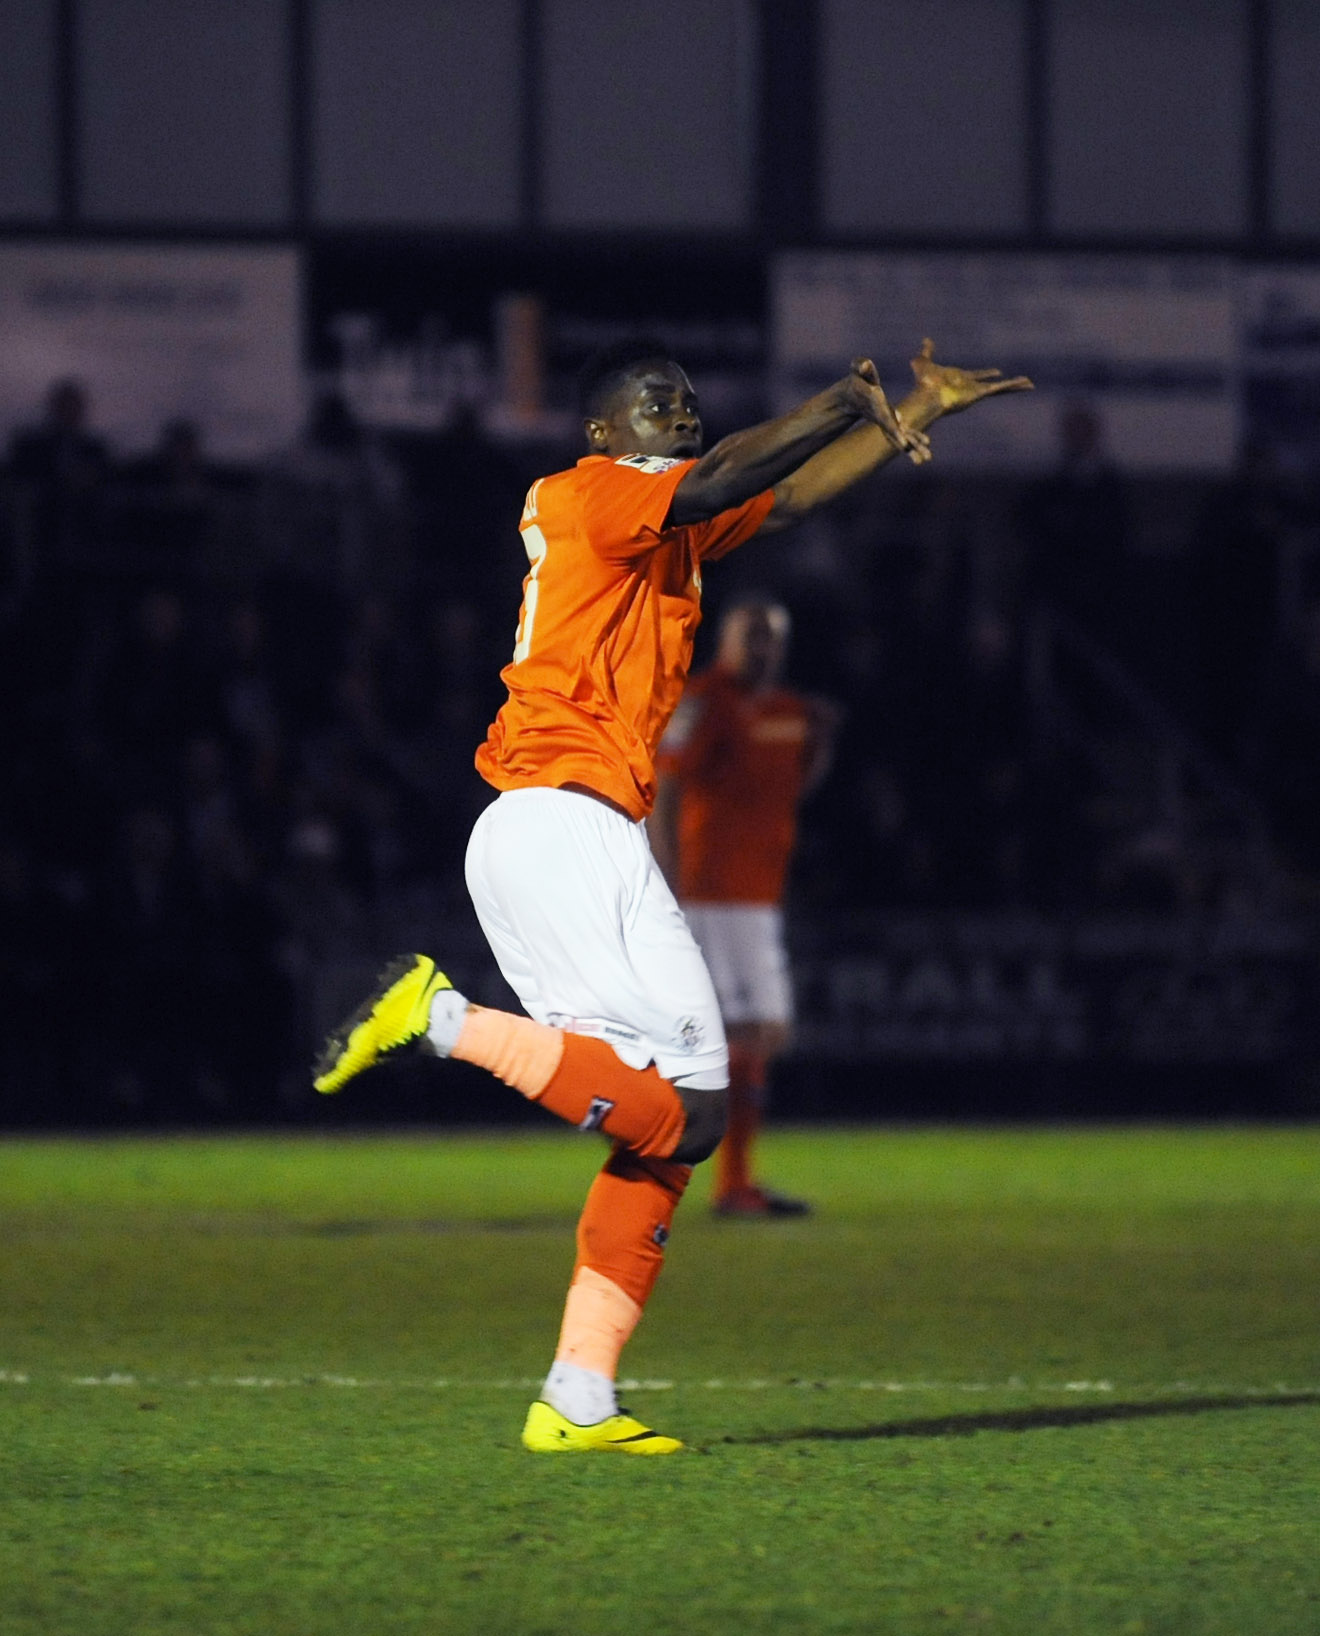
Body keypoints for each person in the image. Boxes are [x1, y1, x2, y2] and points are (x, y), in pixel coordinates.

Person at [312, 336, 1031, 1455]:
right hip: (557, 823)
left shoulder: (668, 522)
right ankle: (439, 1017)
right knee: (689, 1107)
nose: (680, 415)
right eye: (657, 404)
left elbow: (782, 498)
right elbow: (734, 471)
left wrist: (902, 419)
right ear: (604, 432)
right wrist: (839, 397)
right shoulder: (589, 493)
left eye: (689, 402)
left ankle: (576, 1399)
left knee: (678, 1121)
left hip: (582, 831)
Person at [651, 596, 837, 1216]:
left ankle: (722, 1175)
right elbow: (666, 789)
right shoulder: (703, 702)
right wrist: (667, 881)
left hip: (759, 896)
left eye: (771, 638)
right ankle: (722, 1178)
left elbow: (782, 792)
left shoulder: (791, 712)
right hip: (709, 891)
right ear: (725, 642)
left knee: (757, 1037)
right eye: (750, 636)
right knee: (742, 1035)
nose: (761, 648)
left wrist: (824, 747)